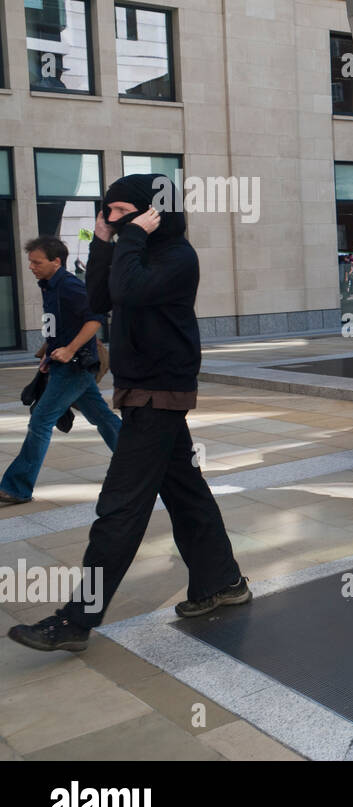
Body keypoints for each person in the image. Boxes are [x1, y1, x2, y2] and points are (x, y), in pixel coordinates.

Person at [8, 174, 247, 653]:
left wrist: (129, 238)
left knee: (119, 508)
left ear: (151, 211)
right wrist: (102, 242)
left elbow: (130, 291)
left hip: (159, 392)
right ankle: (224, 583)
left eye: (121, 211)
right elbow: (99, 300)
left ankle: (75, 621)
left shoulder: (179, 256)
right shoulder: (131, 251)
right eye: (108, 211)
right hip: (141, 388)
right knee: (185, 493)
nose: (113, 219)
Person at [0, 237, 121, 505]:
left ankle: (17, 487)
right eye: (30, 261)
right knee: (102, 417)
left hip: (74, 367)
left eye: (37, 262)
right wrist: (49, 354)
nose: (31, 266)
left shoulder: (69, 286)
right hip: (63, 366)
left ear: (56, 262)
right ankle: (137, 464)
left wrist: (68, 350)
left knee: (40, 421)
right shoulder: (49, 286)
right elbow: (60, 325)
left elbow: (95, 319)